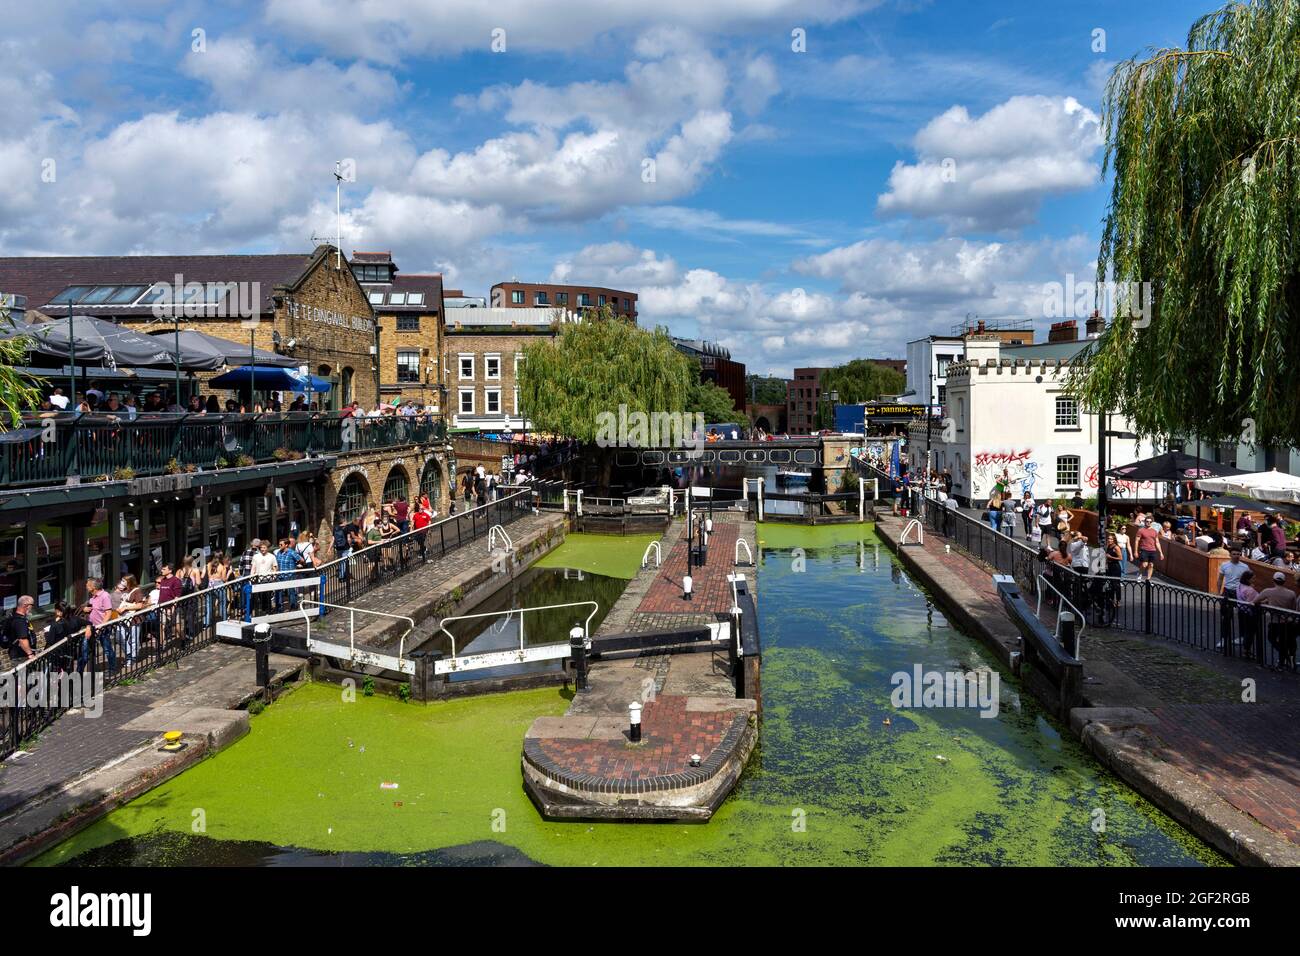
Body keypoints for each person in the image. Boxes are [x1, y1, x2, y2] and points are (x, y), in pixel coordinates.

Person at [1254, 571, 1298, 670]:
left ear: (1273, 580)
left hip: (1275, 622)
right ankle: (1288, 661)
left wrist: (1267, 602)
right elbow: (1293, 608)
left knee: (1272, 639)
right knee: (1287, 642)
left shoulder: (1268, 591)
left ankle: (1284, 659)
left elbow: (1255, 601)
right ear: (1284, 581)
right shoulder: (1291, 593)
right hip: (1288, 622)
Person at [80, 577, 118, 673]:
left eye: (88, 585)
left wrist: (101, 626)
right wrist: (85, 609)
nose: (86, 586)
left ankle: (112, 668)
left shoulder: (105, 596)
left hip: (102, 628)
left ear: (93, 587)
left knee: (107, 648)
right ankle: (80, 671)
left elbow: (108, 613)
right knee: (85, 649)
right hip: (91, 627)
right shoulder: (93, 596)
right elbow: (91, 608)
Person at [1216, 548, 1250, 650]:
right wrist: (1218, 593)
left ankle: (1242, 637)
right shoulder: (1224, 565)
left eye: (1238, 554)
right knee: (1226, 616)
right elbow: (1220, 579)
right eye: (1234, 554)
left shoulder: (1245, 567)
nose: (1236, 556)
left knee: (1242, 615)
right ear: (1230, 555)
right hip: (1227, 591)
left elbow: (1248, 580)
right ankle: (1223, 638)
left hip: (1239, 591)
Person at [2, 594, 37, 662]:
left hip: (19, 655)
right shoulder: (20, 621)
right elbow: (22, 640)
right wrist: (30, 654)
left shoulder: (14, 617)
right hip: (22, 656)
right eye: (31, 605)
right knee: (23, 673)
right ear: (26, 605)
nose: (31, 608)